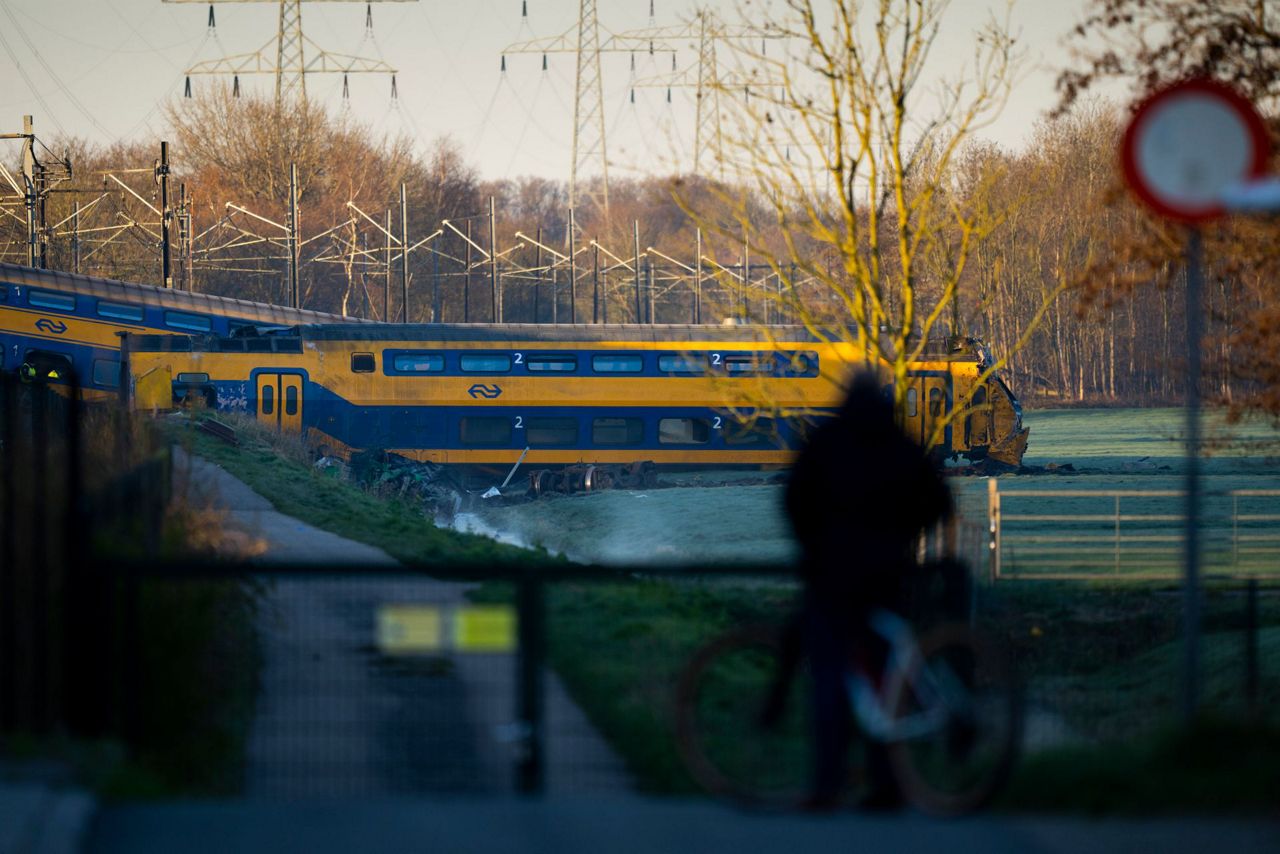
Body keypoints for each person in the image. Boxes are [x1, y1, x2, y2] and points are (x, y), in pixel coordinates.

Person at [782, 371, 952, 809]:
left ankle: (827, 783)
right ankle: (887, 783)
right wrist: (905, 538)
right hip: (888, 576)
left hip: (833, 576)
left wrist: (811, 547)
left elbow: (793, 499)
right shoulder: (901, 444)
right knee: (885, 676)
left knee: (829, 677)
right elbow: (939, 501)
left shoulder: (827, 439)